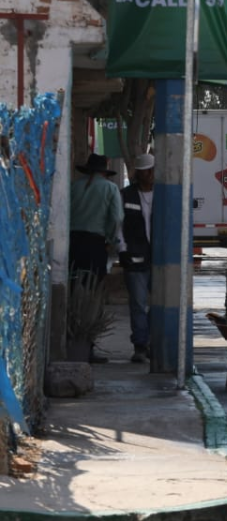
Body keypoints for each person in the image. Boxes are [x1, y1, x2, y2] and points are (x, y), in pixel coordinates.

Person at [69, 153, 123, 364]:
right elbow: (117, 218)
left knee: (73, 291)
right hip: (95, 244)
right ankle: (88, 346)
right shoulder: (110, 188)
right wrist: (111, 240)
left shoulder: (73, 187)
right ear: (104, 171)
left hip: (73, 244)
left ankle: (71, 341)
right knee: (93, 295)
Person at [117, 153, 154, 363]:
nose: (150, 175)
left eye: (152, 170)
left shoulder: (164, 195)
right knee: (138, 304)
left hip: (158, 259)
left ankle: (150, 339)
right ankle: (140, 345)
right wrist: (122, 250)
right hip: (135, 257)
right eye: (146, 171)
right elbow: (118, 226)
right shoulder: (126, 195)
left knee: (160, 304)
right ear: (138, 174)